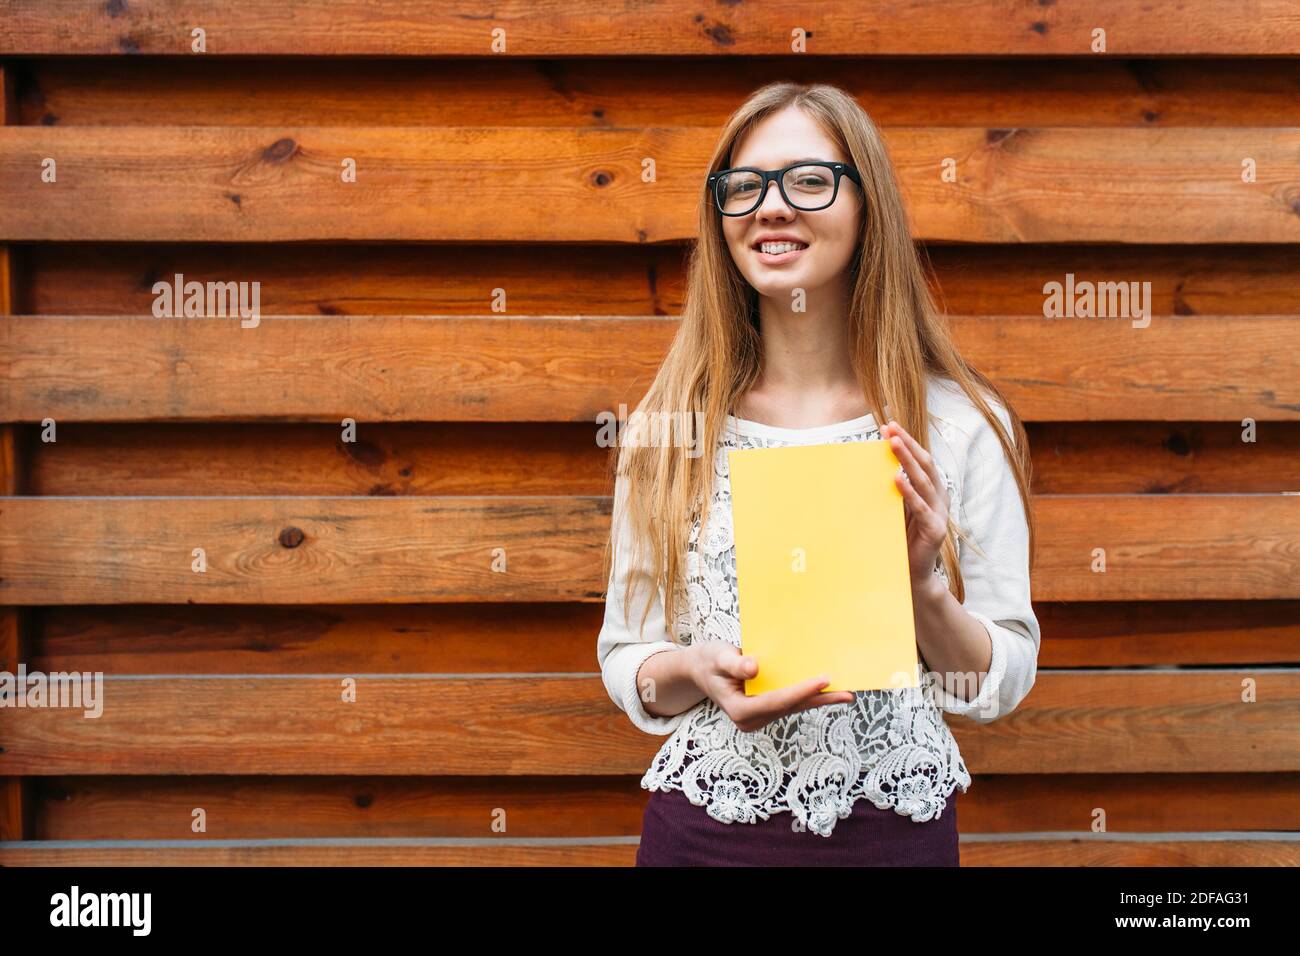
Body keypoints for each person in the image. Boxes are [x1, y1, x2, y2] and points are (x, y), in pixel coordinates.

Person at [597, 82, 1040, 866]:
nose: (771, 207)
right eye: (745, 186)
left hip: (895, 837)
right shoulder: (671, 431)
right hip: (703, 836)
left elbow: (993, 690)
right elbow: (628, 657)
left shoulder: (964, 426)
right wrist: (695, 669)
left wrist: (924, 589)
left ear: (868, 206)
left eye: (809, 179)